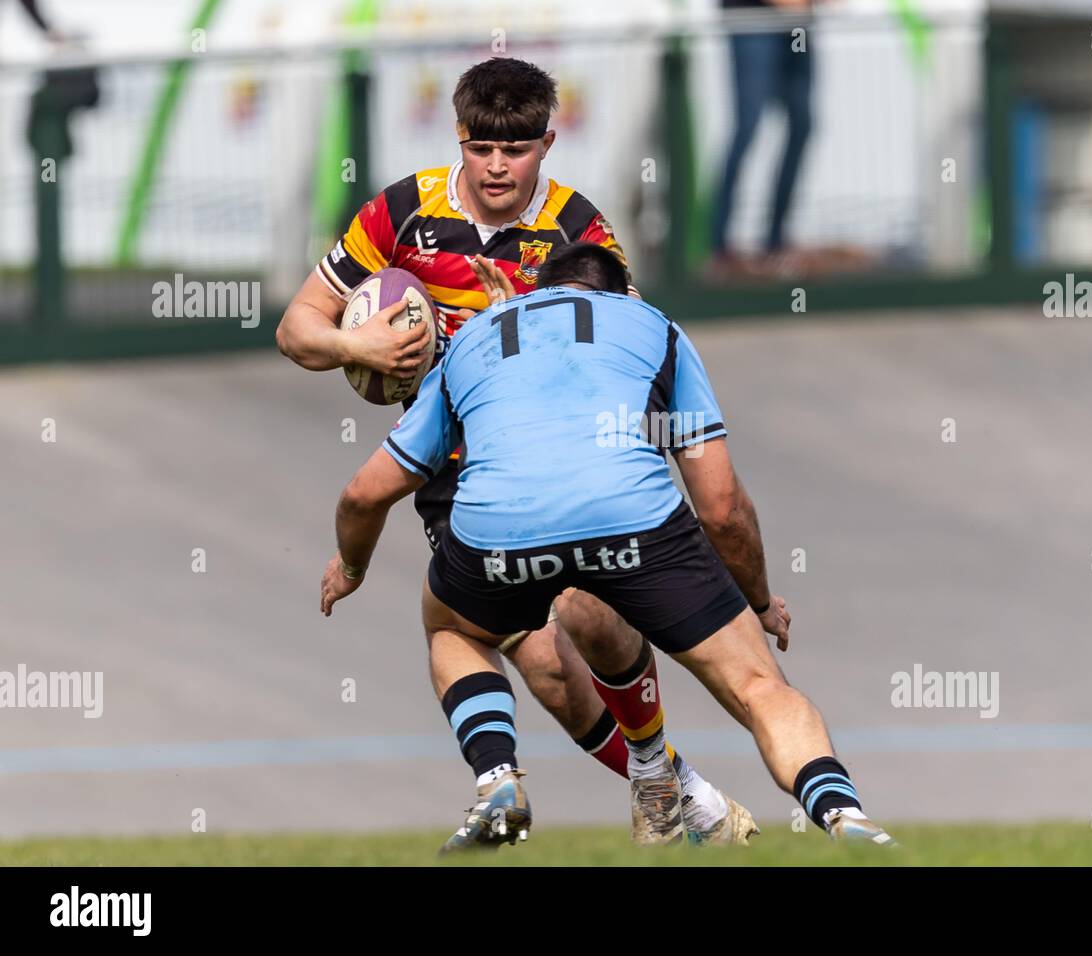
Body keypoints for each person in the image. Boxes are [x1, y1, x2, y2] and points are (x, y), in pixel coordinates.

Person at [277, 57, 756, 849]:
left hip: (567, 456)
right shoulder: (401, 212)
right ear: (459, 139)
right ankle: (668, 789)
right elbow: (296, 327)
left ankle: (659, 787)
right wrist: (351, 340)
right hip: (454, 469)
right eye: (482, 148)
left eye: (518, 149)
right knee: (541, 662)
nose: (497, 166)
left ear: (547, 143)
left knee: (583, 610)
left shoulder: (580, 230)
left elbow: (631, 358)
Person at [320, 242, 898, 847]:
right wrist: (755, 601)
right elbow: (723, 509)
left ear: (540, 289)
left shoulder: (472, 338)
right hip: (636, 523)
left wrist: (353, 567)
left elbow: (363, 496)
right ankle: (844, 816)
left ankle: (497, 779)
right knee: (759, 687)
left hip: (501, 529)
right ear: (623, 294)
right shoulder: (654, 327)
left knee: (455, 632)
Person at [711, 0, 816, 270]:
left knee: (802, 124)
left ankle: (776, 242)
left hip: (796, 24)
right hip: (751, 15)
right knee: (748, 127)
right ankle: (718, 246)